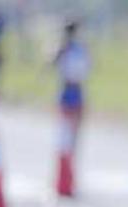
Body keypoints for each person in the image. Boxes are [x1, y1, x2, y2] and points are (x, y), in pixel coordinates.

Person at [53, 20, 90, 154]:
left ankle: (69, 154)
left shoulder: (68, 48)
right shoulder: (75, 48)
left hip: (71, 89)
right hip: (73, 89)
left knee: (68, 129)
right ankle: (69, 154)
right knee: (70, 130)